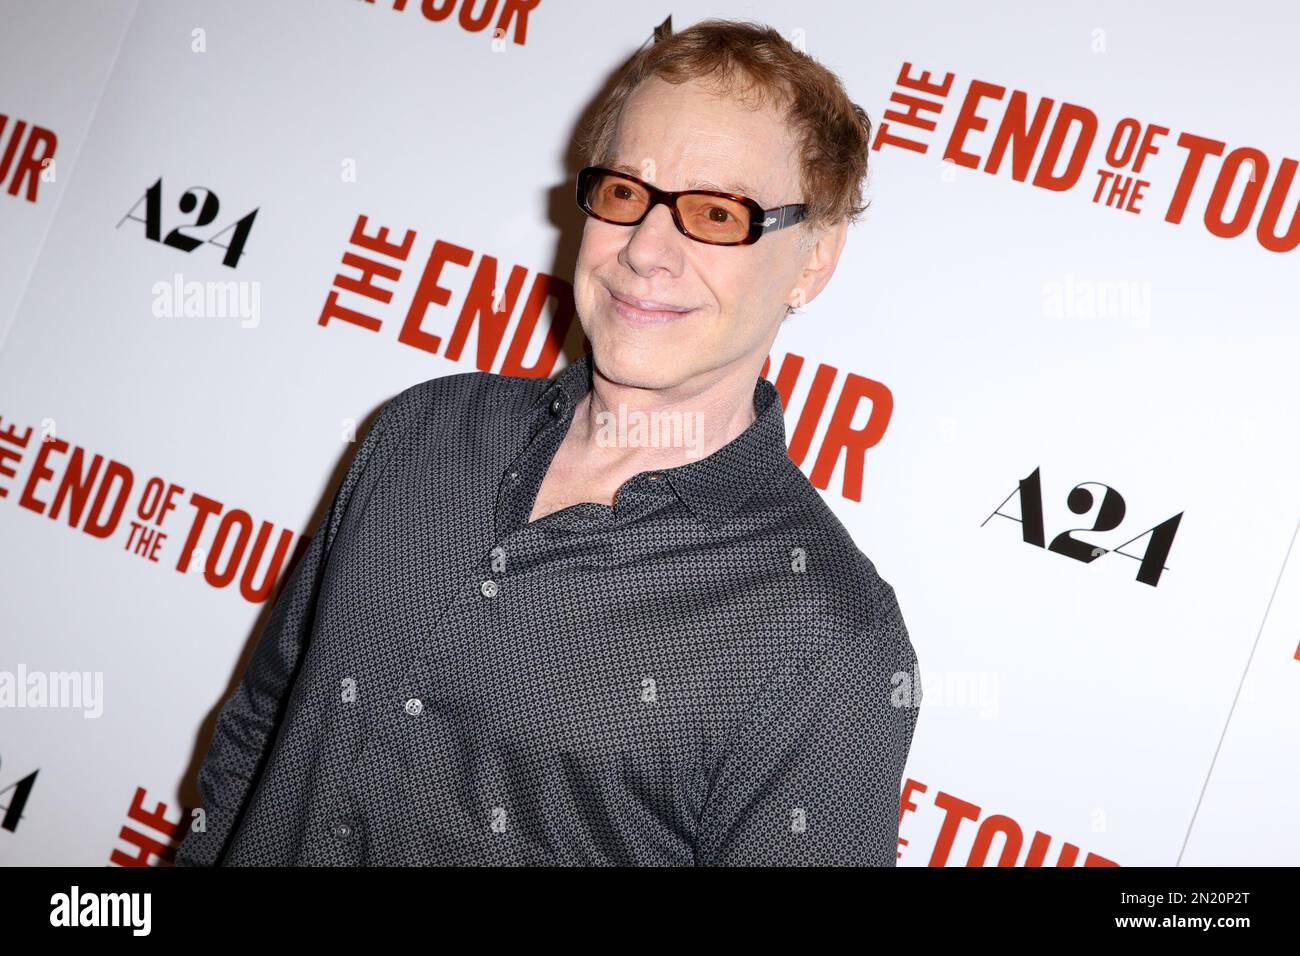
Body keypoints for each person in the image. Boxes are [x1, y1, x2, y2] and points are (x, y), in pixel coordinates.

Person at [177, 17, 920, 867]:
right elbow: (261, 730)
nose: (646, 249)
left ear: (813, 261)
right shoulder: (423, 430)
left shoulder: (825, 638)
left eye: (717, 213)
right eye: (623, 193)